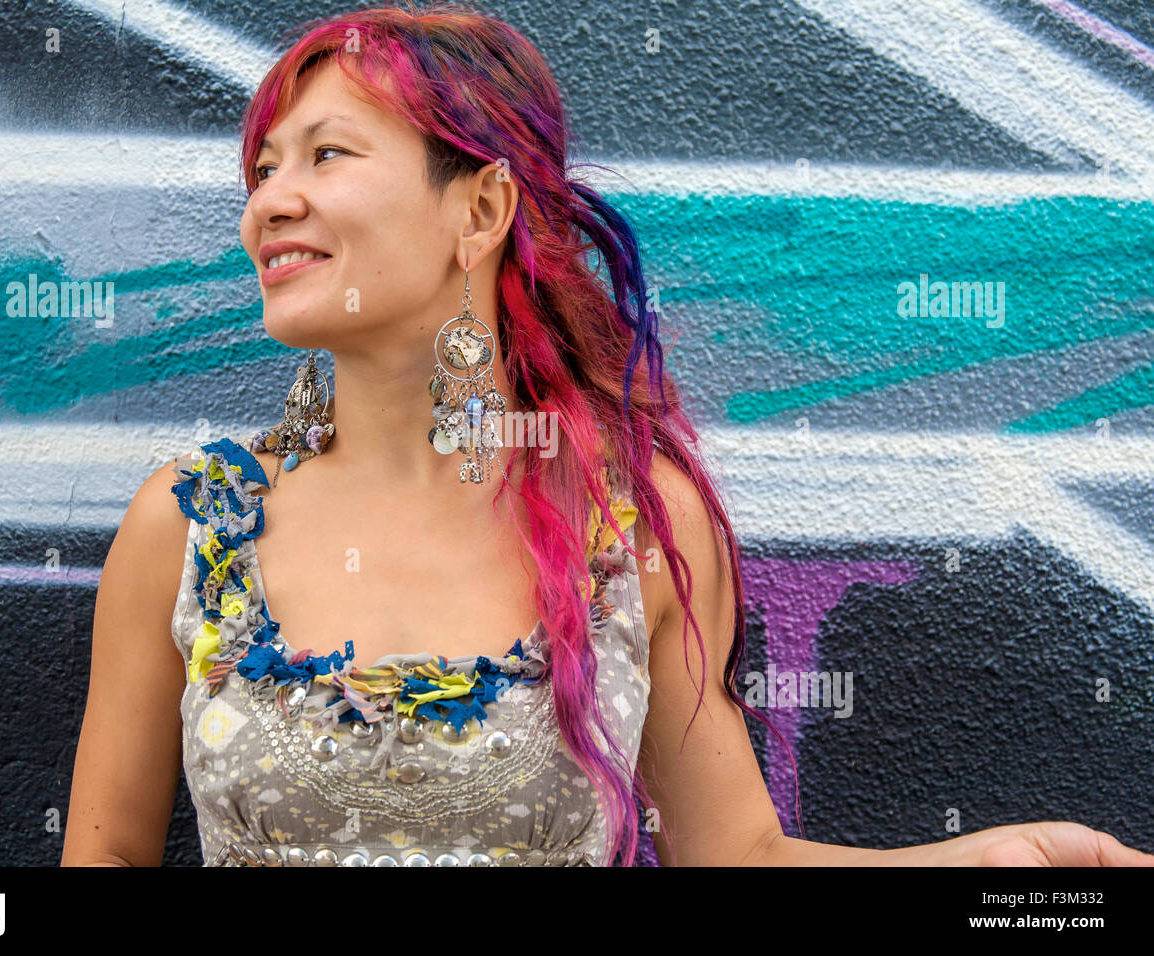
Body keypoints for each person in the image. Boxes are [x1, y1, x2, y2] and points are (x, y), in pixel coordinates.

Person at [62, 2, 1153, 867]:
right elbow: (103, 852)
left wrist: (989, 865)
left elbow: (738, 854)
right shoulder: (190, 524)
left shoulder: (631, 524)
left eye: (325, 156)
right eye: (263, 170)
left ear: (479, 213)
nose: (269, 203)